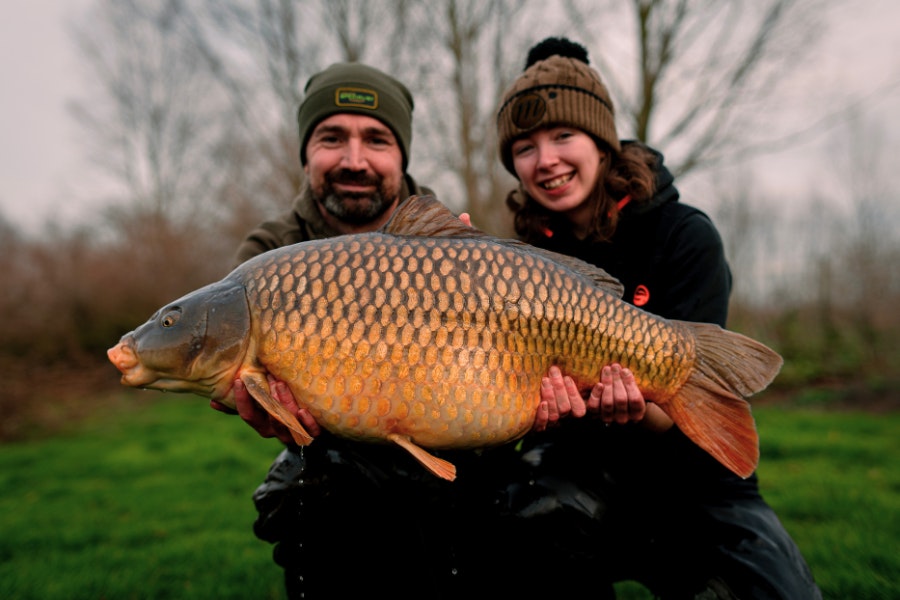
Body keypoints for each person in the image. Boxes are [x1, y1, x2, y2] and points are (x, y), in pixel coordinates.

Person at [210, 61, 643, 600]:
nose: (353, 159)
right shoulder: (268, 257)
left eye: (376, 139)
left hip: (464, 442)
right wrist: (261, 408)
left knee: (516, 522)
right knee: (305, 501)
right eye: (331, 137)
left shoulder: (448, 238)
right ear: (306, 152)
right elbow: (238, 380)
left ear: (401, 155)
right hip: (340, 457)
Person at [491, 37, 822, 599]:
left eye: (563, 136)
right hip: (574, 463)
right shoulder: (514, 264)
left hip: (690, 474)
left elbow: (684, 408)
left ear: (602, 142)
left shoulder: (685, 236)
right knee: (519, 538)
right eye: (524, 147)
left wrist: (640, 406)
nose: (545, 160)